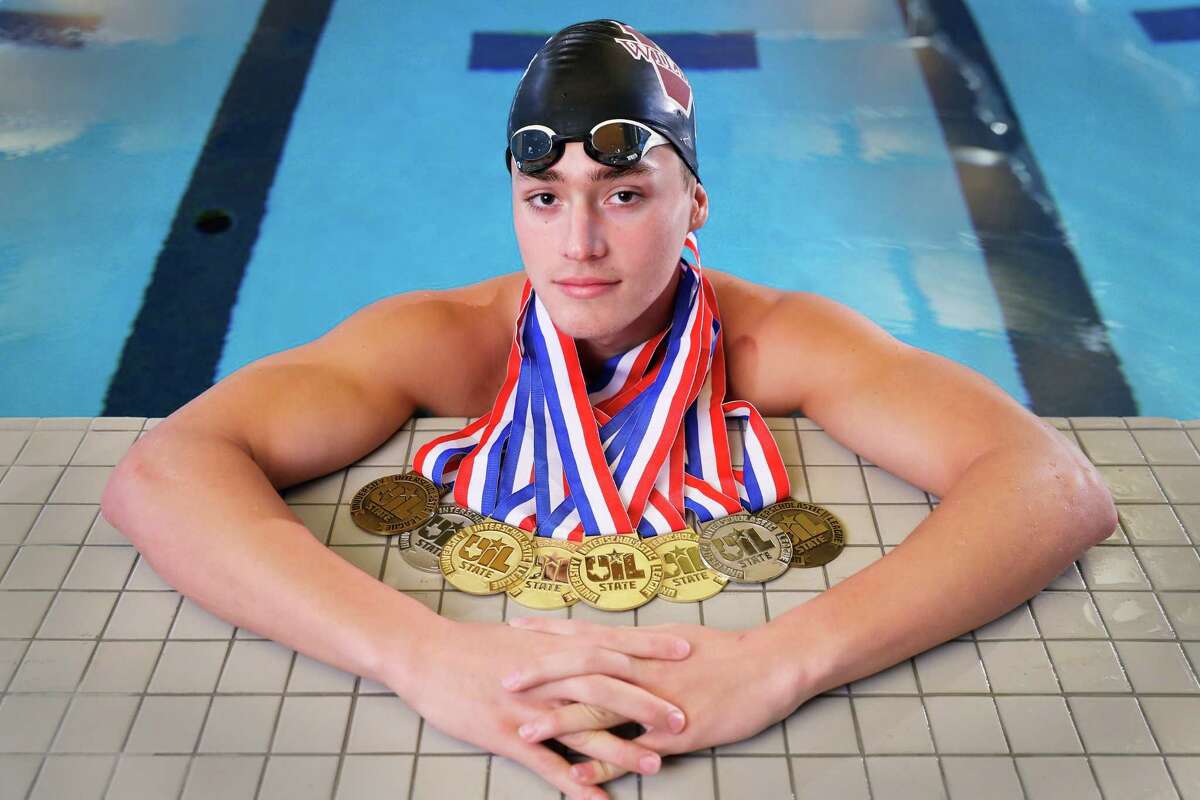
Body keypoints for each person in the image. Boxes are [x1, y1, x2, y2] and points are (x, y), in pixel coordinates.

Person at [100, 19, 1118, 800]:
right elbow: (164, 469)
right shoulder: (444, 338)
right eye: (546, 195)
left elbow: (1052, 485)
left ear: (696, 204)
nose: (578, 241)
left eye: (624, 193)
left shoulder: (776, 337)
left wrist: (784, 660)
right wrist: (418, 652)